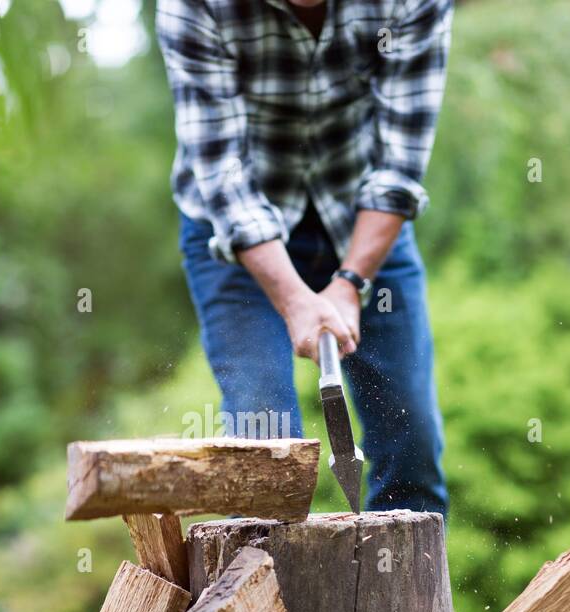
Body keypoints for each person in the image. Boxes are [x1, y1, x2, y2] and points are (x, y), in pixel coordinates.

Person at [157, 0, 454, 515]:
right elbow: (223, 173)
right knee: (264, 453)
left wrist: (351, 282)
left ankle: (394, 591)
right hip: (234, 229)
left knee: (412, 448)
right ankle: (258, 594)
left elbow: (399, 167)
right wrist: (294, 298)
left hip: (361, 216)